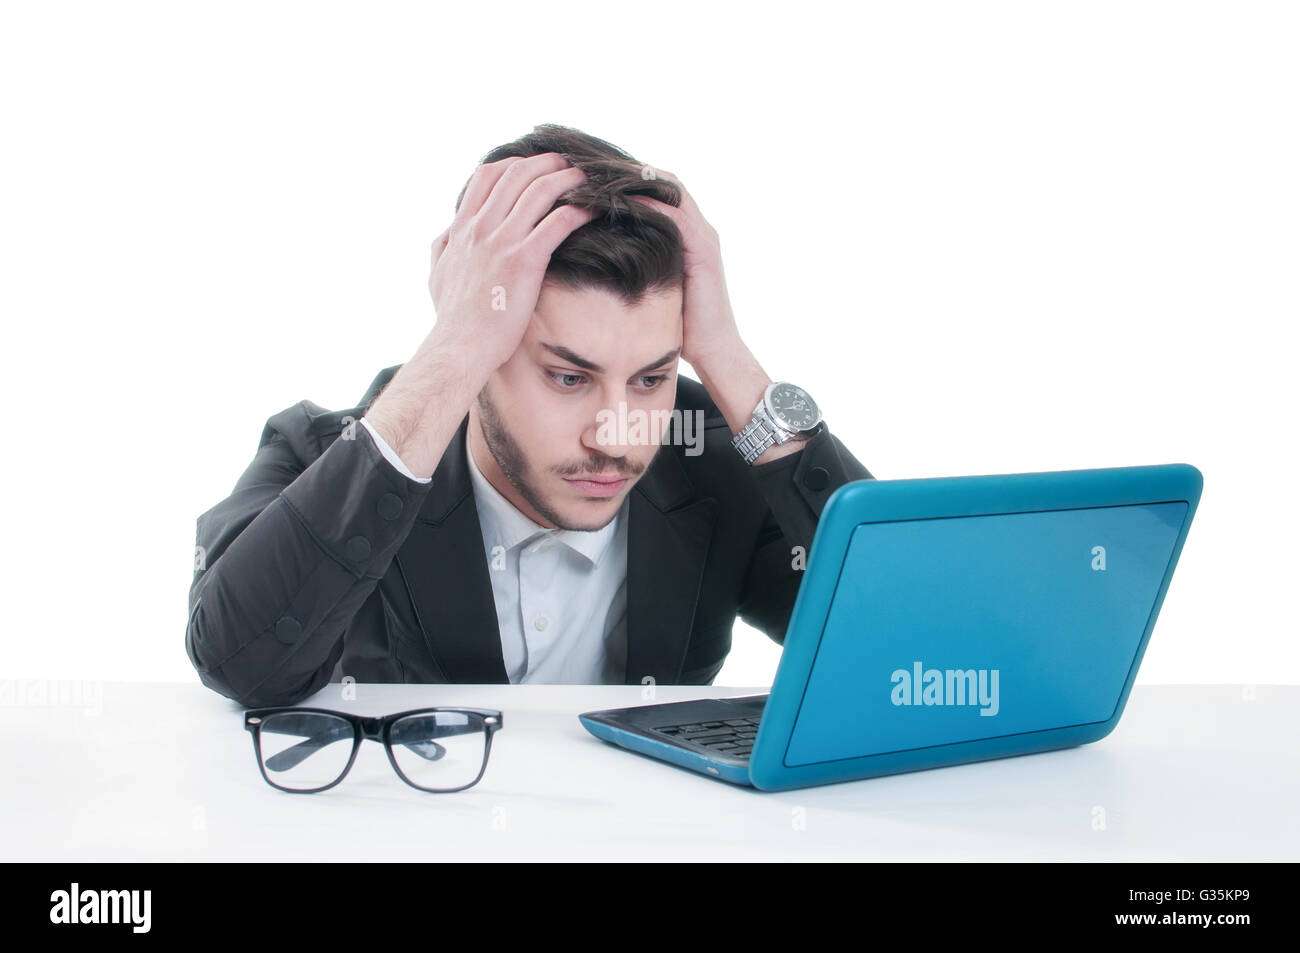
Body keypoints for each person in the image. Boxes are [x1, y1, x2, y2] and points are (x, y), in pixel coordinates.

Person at [187, 124, 874, 707]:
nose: (617, 435)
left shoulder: (718, 464)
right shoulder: (326, 458)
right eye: (569, 377)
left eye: (651, 377)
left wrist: (728, 356)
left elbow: (905, 648)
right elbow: (240, 663)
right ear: (481, 349)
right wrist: (451, 348)